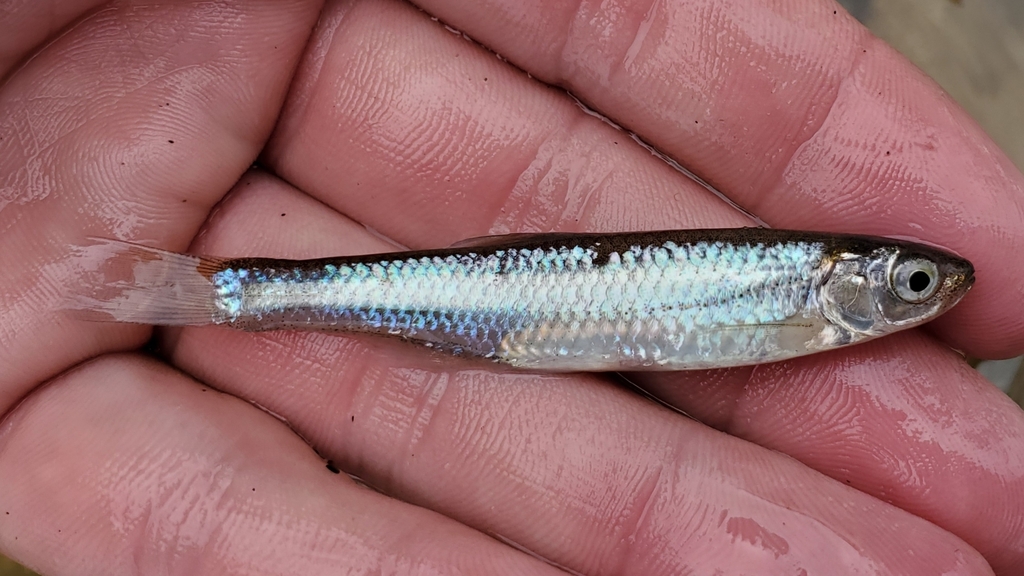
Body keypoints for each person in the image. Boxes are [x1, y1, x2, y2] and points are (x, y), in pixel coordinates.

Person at [1, 0, 1022, 574]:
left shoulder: (807, 301)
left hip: (512, 304)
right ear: (840, 282)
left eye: (913, 286)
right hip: (502, 300)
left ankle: (235, 292)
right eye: (909, 284)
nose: (918, 296)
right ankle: (237, 293)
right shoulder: (803, 294)